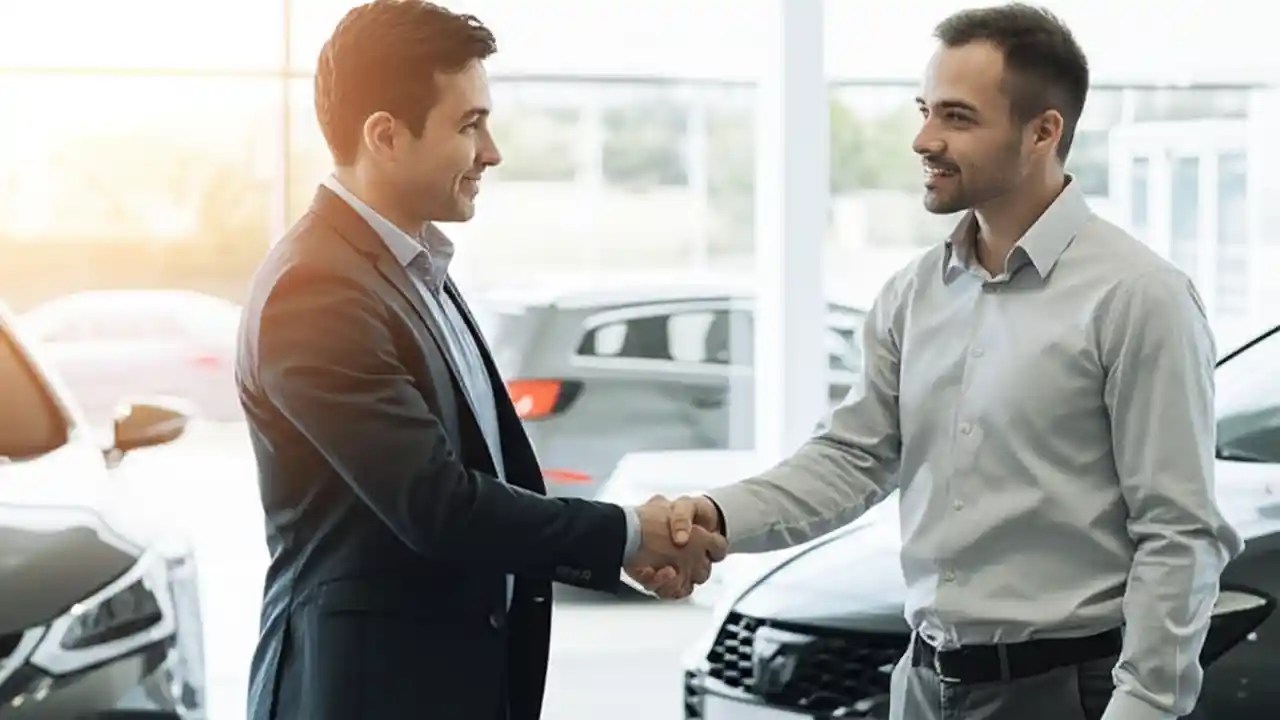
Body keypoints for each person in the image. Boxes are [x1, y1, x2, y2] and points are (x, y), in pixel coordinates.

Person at [635, 4, 1242, 719]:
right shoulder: (915, 292)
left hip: (1064, 692)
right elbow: (853, 458)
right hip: (922, 685)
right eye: (925, 111)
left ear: (1043, 131)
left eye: (957, 116)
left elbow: (1180, 533)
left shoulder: (1140, 298)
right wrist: (712, 515)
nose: (924, 139)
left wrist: (1144, 705)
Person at [235, 3, 725, 719]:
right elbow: (437, 505)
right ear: (385, 136)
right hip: (366, 697)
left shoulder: (410, 267)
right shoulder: (316, 290)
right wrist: (624, 534)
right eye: (470, 125)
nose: (491, 151)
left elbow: (484, 474)